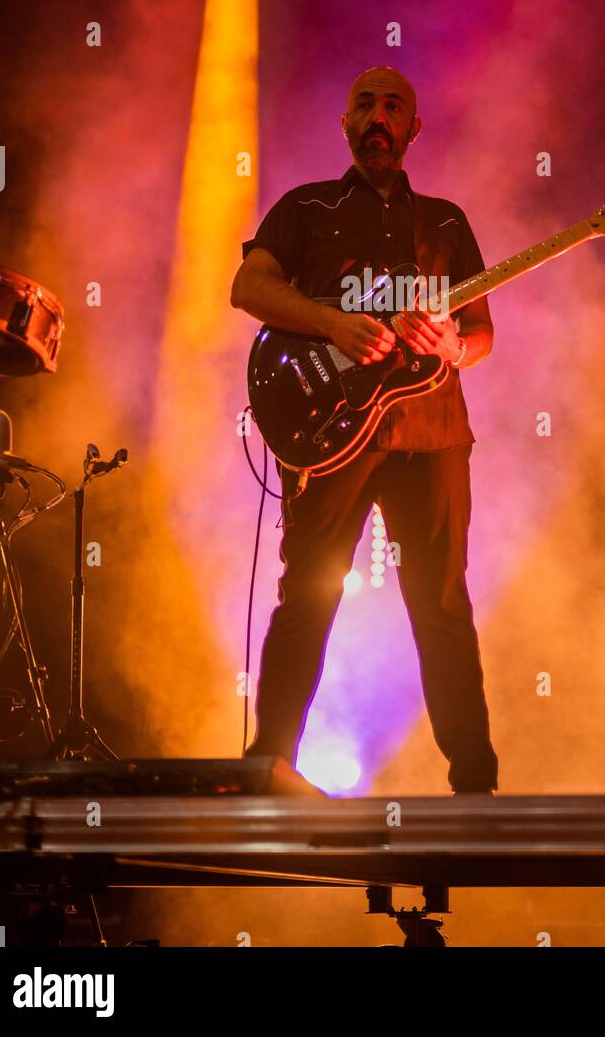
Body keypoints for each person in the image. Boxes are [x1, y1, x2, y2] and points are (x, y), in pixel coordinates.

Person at [230, 66, 498, 793]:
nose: (379, 117)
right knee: (310, 592)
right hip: (330, 431)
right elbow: (248, 288)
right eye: (365, 105)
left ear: (414, 129)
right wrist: (334, 326)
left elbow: (480, 336)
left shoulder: (445, 221)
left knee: (442, 602)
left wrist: (450, 346)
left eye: (394, 107)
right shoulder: (304, 208)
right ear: (346, 122)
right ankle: (268, 766)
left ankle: (474, 780)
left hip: (434, 431)